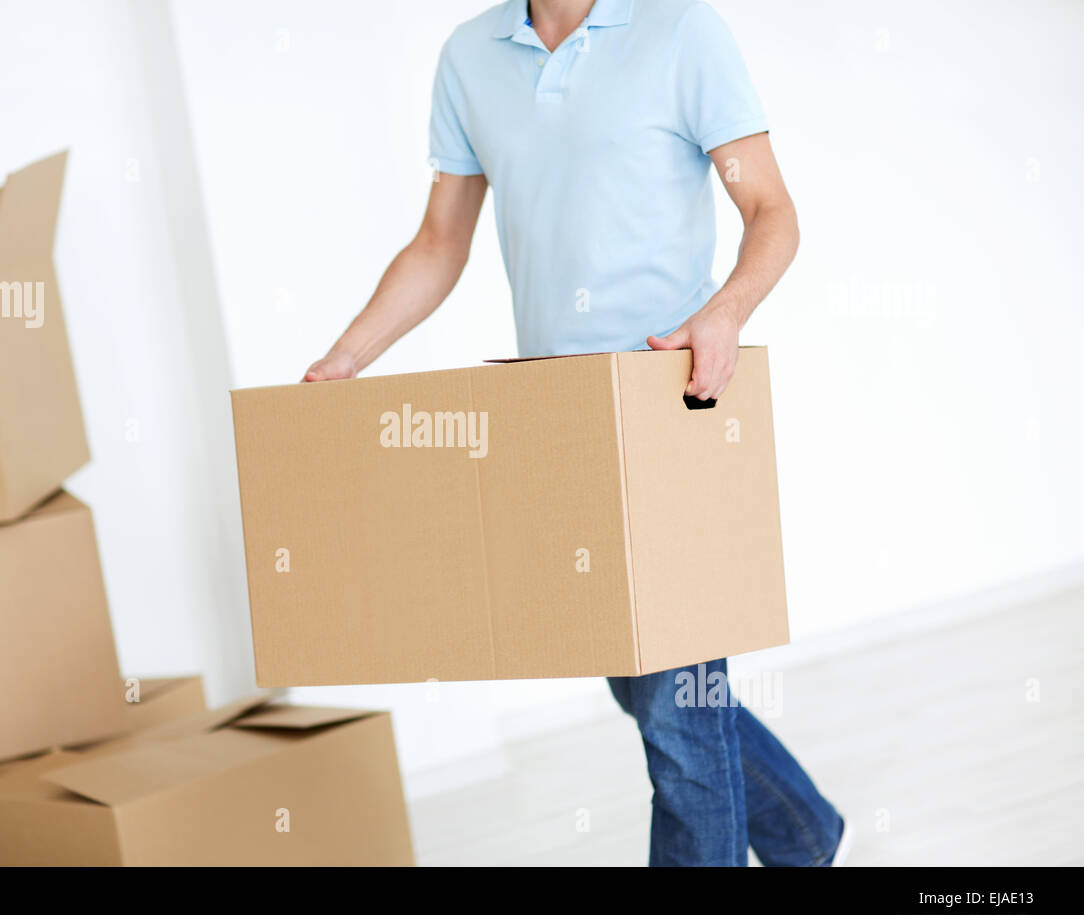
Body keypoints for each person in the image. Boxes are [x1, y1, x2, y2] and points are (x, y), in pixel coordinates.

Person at [301, 0, 847, 866]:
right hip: (555, 426)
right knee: (644, 687)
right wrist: (344, 359)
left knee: (676, 719)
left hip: (674, 400)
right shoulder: (469, 56)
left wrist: (723, 316)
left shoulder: (680, 33)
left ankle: (796, 838)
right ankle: (804, 832)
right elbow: (441, 242)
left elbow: (772, 210)